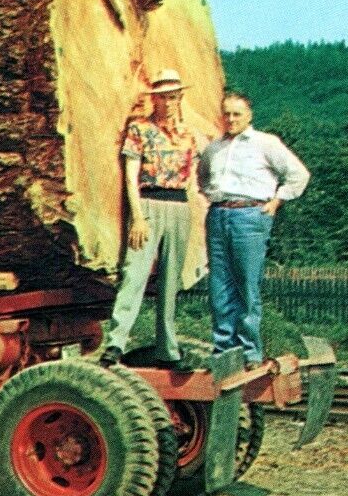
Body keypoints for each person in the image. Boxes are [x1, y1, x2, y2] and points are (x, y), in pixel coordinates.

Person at [197, 92, 310, 367]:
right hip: (219, 214)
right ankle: (224, 349)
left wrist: (276, 202)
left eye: (237, 114)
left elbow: (299, 174)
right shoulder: (214, 148)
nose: (231, 119)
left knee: (247, 283)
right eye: (227, 114)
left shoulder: (265, 143)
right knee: (219, 284)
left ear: (249, 115)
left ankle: (249, 351)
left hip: (250, 215)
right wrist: (212, 197)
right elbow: (201, 177)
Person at [99, 69, 198, 370]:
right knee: (135, 274)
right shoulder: (140, 130)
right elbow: (131, 176)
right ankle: (115, 342)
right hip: (149, 203)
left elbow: (193, 176)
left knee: (170, 281)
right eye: (162, 98)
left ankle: (168, 349)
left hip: (179, 205)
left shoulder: (189, 135)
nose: (167, 103)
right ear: (154, 99)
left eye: (173, 97)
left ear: (180, 98)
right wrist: (138, 217)